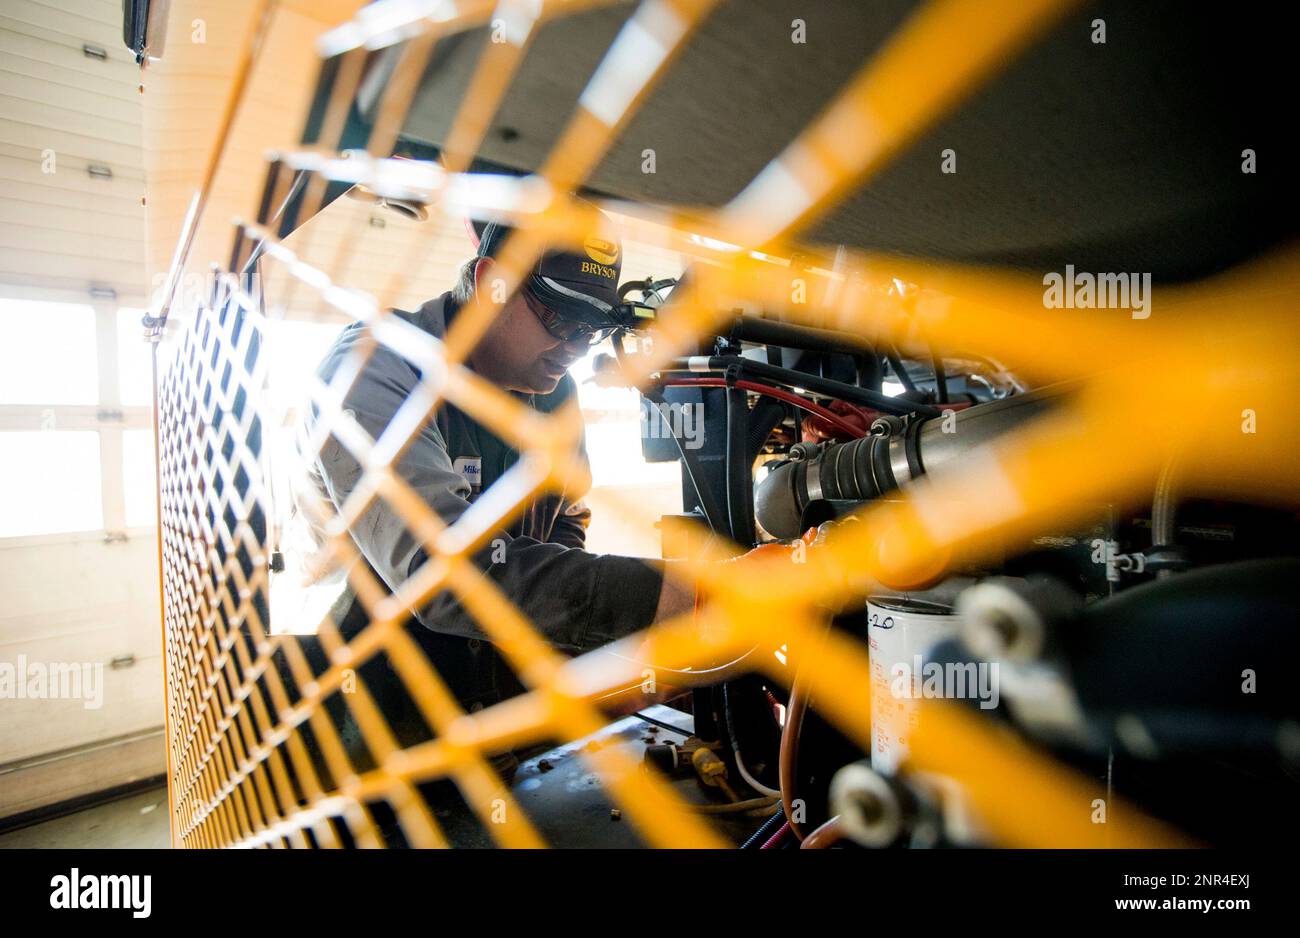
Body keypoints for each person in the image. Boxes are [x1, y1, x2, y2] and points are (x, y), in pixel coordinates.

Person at [285, 209, 694, 762]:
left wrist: (568, 648)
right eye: (560, 317)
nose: (576, 345)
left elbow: (564, 517)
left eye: (592, 329)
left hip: (488, 703)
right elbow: (438, 571)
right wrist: (670, 598)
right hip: (361, 714)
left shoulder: (554, 393)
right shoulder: (374, 367)